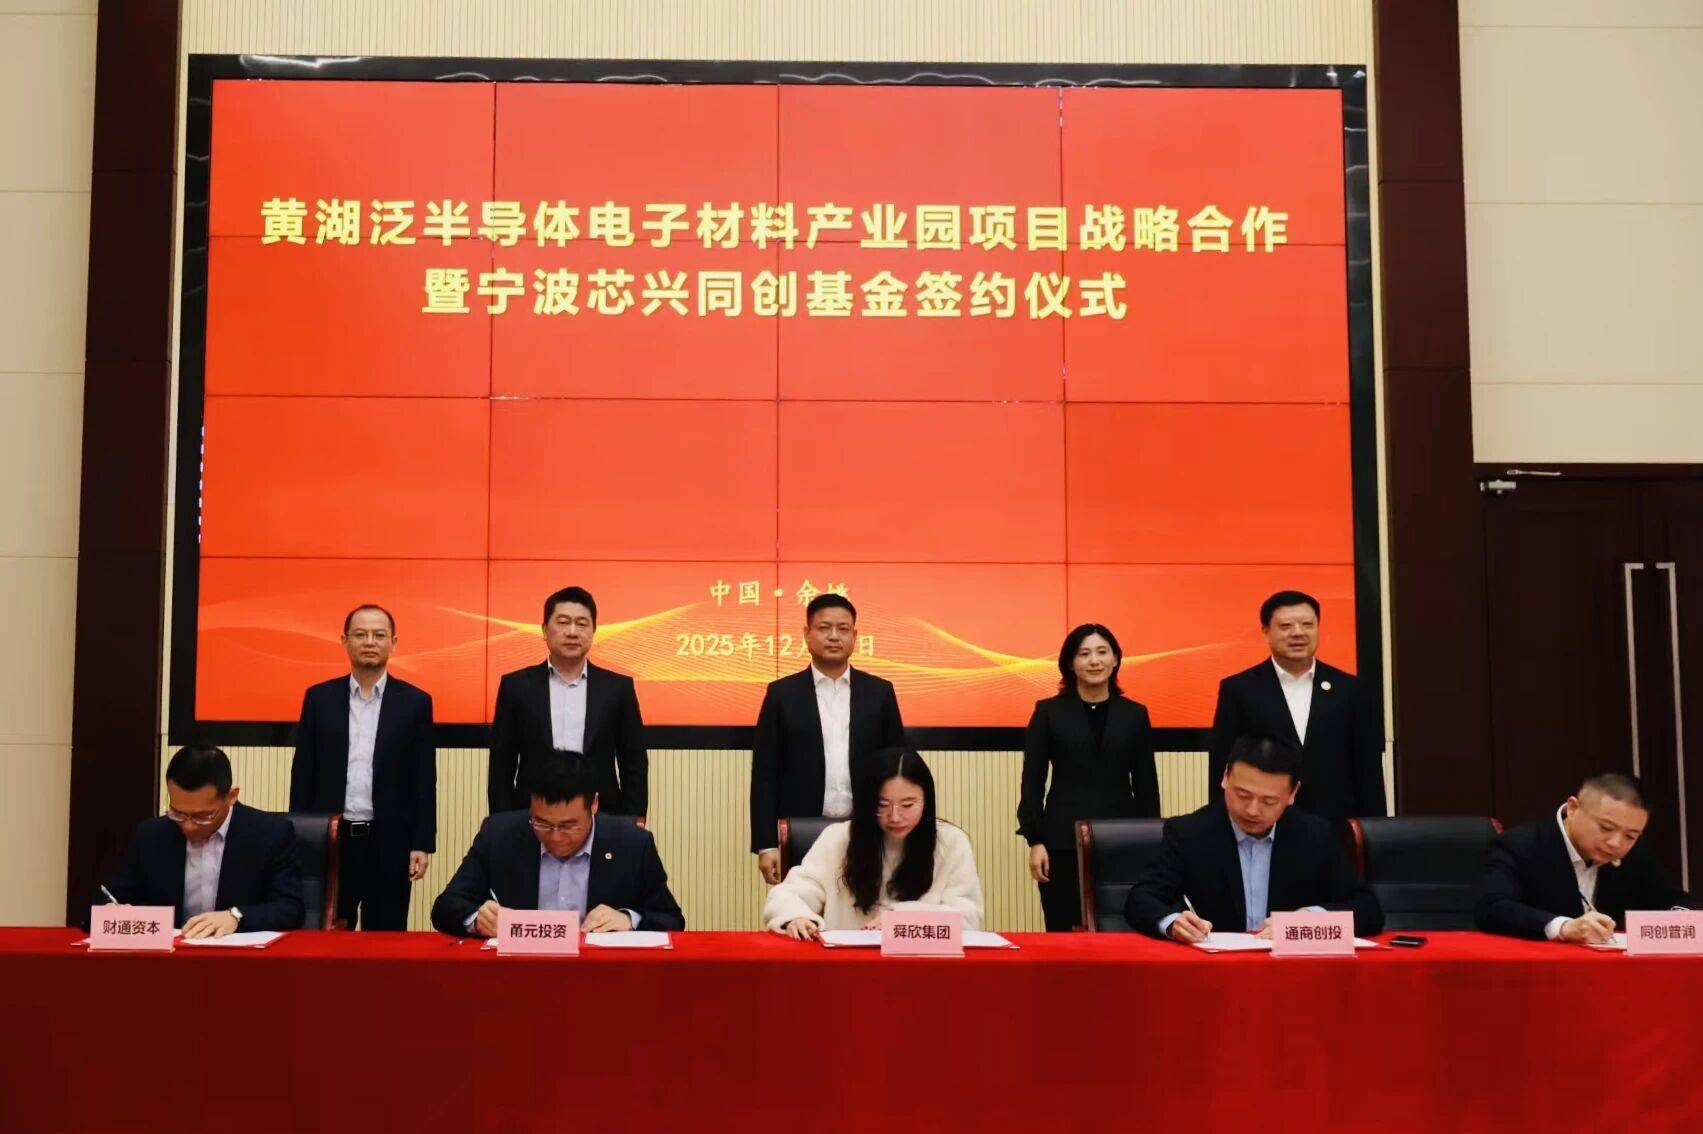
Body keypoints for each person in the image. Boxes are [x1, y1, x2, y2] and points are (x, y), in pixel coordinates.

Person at [1125, 734, 1384, 941]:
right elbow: (1142, 898)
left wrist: (1313, 919)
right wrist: (1173, 923)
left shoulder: (1314, 835)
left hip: (1291, 971)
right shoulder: (1189, 833)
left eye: (1269, 801)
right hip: (1215, 971)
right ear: (1225, 778)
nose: (1252, 810)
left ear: (1293, 794)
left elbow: (1368, 908)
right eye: (1242, 795)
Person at [289, 603, 436, 930]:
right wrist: (300, 835)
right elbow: (303, 774)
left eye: (379, 635)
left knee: (385, 940)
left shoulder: (415, 702)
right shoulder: (319, 699)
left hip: (390, 842)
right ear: (344, 641)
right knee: (327, 935)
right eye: (360, 634)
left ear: (393, 643)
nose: (370, 642)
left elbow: (424, 781)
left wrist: (422, 843)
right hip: (332, 840)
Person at [433, 750, 683, 936]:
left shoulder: (632, 843)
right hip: (519, 973)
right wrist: (477, 919)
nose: (555, 836)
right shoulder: (499, 835)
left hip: (600, 976)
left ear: (594, 805)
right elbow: (446, 907)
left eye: (568, 825)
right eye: (541, 823)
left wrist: (629, 920)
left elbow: (671, 919)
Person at [749, 593, 905, 884]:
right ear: (807, 634)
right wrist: (767, 844)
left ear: (855, 636)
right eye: (824, 628)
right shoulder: (782, 694)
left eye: (843, 629)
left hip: (867, 830)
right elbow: (765, 775)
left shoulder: (879, 693)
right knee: (802, 909)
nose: (834, 636)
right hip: (801, 831)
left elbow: (897, 768)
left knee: (867, 909)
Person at [1017, 623, 1159, 931]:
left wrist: (1150, 841)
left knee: (1122, 931)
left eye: (1102, 652)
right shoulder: (1048, 712)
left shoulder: (1135, 714)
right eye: (1084, 654)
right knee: (1063, 930)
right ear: (1070, 663)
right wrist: (1035, 840)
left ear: (1115, 659)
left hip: (1122, 840)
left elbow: (1146, 784)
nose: (1094, 661)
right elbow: (1032, 781)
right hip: (1061, 841)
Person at [1207, 589, 1384, 827]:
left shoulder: (1352, 690)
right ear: (1266, 632)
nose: (1298, 633)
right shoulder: (1239, 689)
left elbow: (1368, 770)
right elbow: (1223, 766)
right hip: (1265, 826)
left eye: (1307, 624)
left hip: (1335, 826)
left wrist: (1374, 830)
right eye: (1286, 626)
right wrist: (1221, 827)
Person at [764, 747, 982, 937]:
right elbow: (791, 892)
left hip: (921, 964)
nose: (895, 817)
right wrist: (797, 916)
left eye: (907, 805)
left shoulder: (951, 843)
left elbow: (968, 917)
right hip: (849, 964)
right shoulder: (838, 838)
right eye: (882, 805)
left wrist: (903, 918)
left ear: (926, 801)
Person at [99, 745, 304, 936]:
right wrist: (111, 910)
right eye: (178, 813)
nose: (189, 825)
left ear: (231, 796)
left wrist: (236, 916)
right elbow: (110, 896)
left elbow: (290, 908)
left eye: (202, 816)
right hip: (170, 955)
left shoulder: (270, 834)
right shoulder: (151, 835)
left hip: (236, 955)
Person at [487, 586, 647, 818]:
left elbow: (633, 761)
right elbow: (501, 764)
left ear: (593, 631)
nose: (572, 632)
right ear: (544, 630)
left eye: (582, 624)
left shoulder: (618, 688)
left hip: (602, 816)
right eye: (563, 622)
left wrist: (634, 818)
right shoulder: (516, 686)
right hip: (531, 815)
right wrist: (501, 821)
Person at [1477, 772, 1692, 943]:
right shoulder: (1519, 845)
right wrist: (1564, 927)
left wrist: (1681, 919)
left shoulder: (1634, 852)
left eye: (1630, 835)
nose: (1616, 843)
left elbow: (1674, 900)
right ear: (1573, 808)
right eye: (1606, 827)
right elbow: (1494, 908)